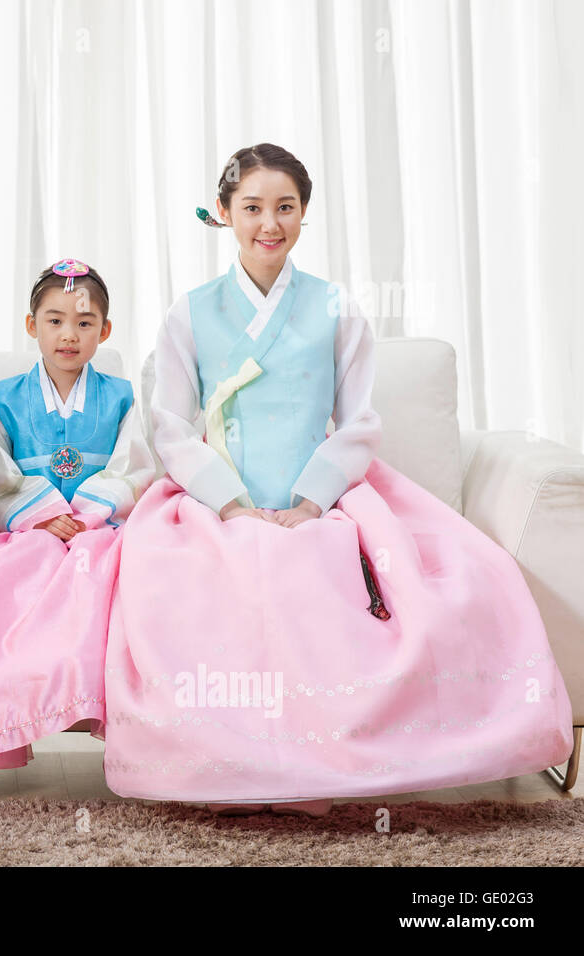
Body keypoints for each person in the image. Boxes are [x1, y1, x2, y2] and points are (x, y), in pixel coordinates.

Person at [103, 143, 574, 816]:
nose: (271, 223)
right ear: (225, 215)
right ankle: (245, 759)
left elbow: (357, 423)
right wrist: (232, 504)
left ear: (304, 213)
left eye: (286, 208)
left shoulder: (334, 306)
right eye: (253, 208)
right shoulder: (191, 312)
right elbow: (171, 427)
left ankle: (328, 755)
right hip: (216, 497)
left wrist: (308, 501)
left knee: (449, 569)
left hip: (320, 494)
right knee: (224, 567)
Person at [0, 259, 156, 769]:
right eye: (55, 320)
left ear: (104, 331)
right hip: (24, 528)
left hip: (100, 526)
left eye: (85, 323)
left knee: (107, 565)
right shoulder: (3, 399)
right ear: (32, 326)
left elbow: (134, 465)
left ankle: (108, 711)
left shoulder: (120, 397)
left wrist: (90, 512)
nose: (69, 334)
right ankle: (14, 715)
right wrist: (41, 515)